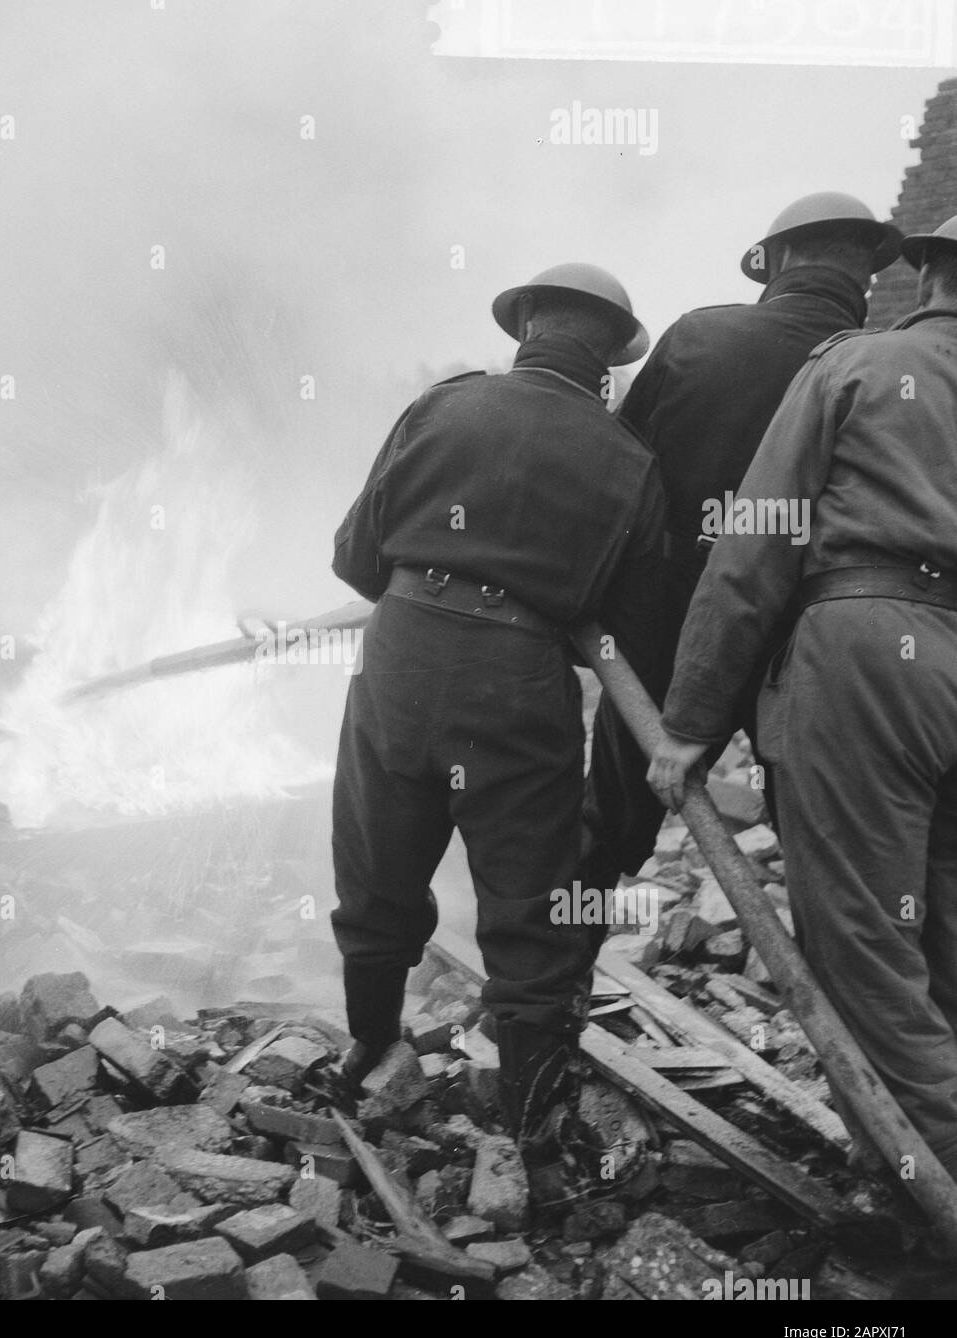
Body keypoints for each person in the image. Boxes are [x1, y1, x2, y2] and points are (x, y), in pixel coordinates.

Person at [648, 214, 957, 1181]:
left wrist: (690, 721)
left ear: (926, 274)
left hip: (868, 652)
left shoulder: (853, 365)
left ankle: (936, 1172)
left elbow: (756, 546)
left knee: (864, 943)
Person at [329, 264, 663, 1148]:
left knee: (376, 861)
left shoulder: (442, 406)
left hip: (399, 648)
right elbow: (623, 616)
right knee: (530, 896)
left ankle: (367, 1046)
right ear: (606, 364)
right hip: (517, 670)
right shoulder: (627, 460)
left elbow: (353, 558)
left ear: (525, 330)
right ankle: (530, 1114)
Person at [582, 194, 902, 892]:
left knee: (604, 830)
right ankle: (848, 995)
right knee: (827, 855)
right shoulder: (874, 368)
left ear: (775, 260)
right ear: (866, 279)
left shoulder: (699, 335)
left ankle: (541, 993)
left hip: (666, 627)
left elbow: (621, 473)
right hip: (807, 641)